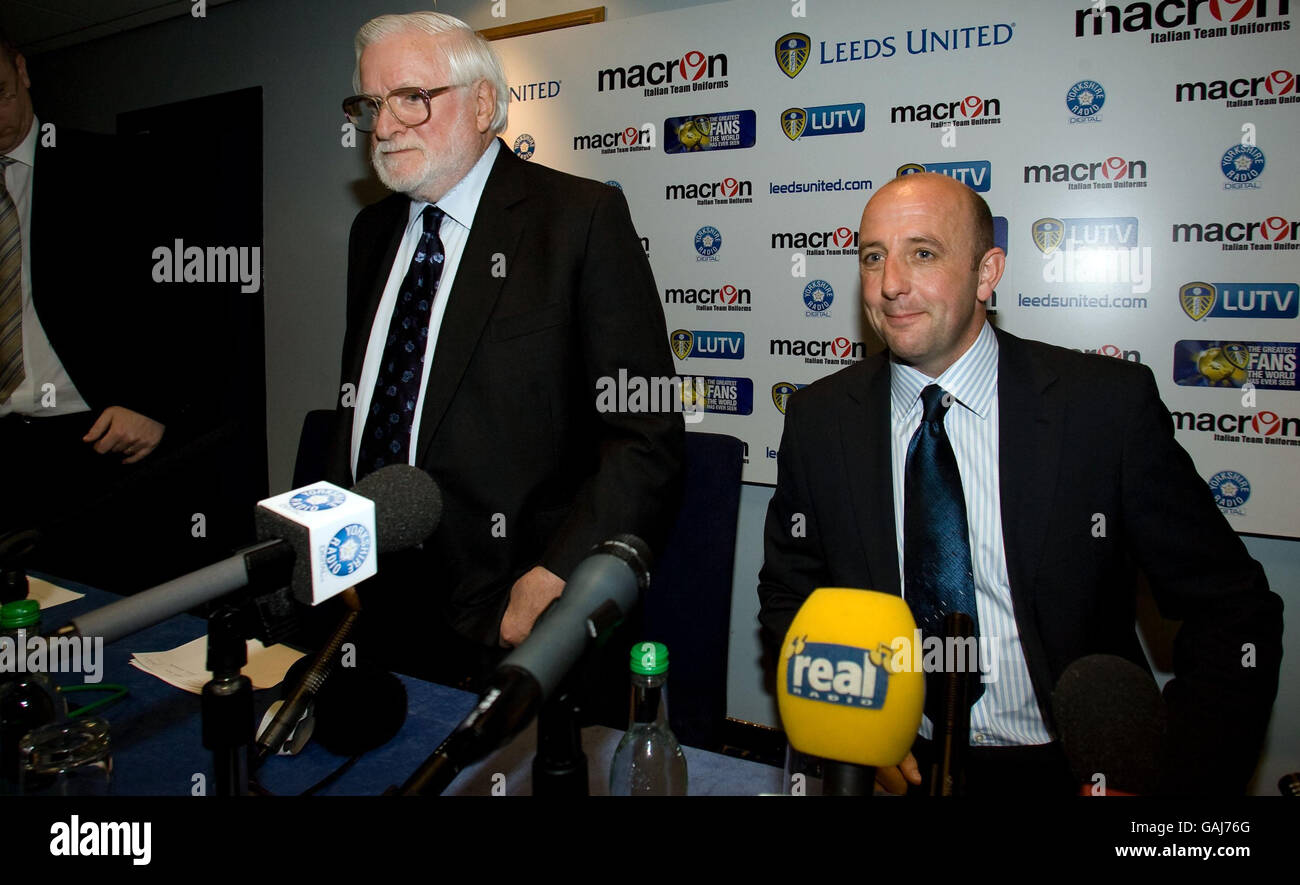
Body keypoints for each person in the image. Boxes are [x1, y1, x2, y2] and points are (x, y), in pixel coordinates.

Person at [757, 171, 1282, 795]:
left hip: (1067, 773)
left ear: (987, 273)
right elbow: (793, 593)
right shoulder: (820, 419)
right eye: (874, 257)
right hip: (896, 766)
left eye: (922, 253)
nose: (891, 284)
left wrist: (1169, 784)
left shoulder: (1102, 410)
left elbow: (1234, 611)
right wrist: (855, 732)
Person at [324, 13, 683, 687]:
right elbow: (367, 403)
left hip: (515, 613)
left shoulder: (578, 220)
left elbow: (645, 430)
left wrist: (561, 571)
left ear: (484, 103)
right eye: (371, 104)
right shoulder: (370, 231)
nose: (384, 126)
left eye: (410, 97)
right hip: (377, 602)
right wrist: (338, 554)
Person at [0, 29, 183, 577]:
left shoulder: (113, 170)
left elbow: (184, 306)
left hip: (91, 440)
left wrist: (155, 406)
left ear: (23, 72)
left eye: (1, 93)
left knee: (100, 612)